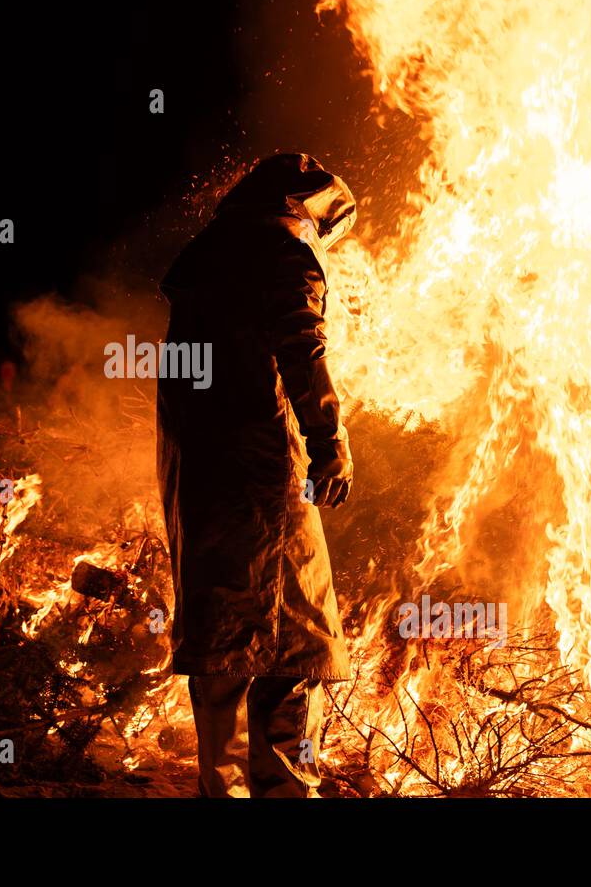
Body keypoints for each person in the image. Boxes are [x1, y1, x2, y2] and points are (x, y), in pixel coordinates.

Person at [157, 153, 356, 797]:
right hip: (264, 473)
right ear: (299, 211)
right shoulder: (281, 258)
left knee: (219, 636)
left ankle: (222, 791)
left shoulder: (204, 261)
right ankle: (286, 789)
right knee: (295, 636)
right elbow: (304, 352)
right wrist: (329, 444)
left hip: (198, 476)